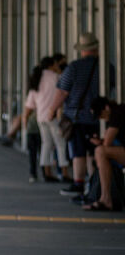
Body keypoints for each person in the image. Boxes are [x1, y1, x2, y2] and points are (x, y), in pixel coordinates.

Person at [47, 32, 100, 197]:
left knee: (78, 152)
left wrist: (51, 110)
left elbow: (62, 92)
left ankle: (78, 183)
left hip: (76, 117)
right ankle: (94, 183)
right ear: (96, 48)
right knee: (93, 151)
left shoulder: (74, 67)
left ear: (82, 50)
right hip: (98, 118)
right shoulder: (106, 66)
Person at [24, 57, 70, 182]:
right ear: (51, 65)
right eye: (55, 64)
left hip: (40, 117)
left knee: (46, 144)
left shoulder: (37, 79)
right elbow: (62, 94)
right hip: (53, 115)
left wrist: (25, 120)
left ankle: (47, 173)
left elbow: (30, 104)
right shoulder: (55, 77)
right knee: (60, 144)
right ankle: (65, 173)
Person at [84, 97, 125, 212]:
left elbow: (107, 143)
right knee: (101, 152)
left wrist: (101, 142)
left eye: (100, 114)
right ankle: (105, 198)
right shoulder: (115, 114)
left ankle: (106, 199)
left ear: (106, 108)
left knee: (100, 152)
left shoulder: (117, 113)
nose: (100, 118)